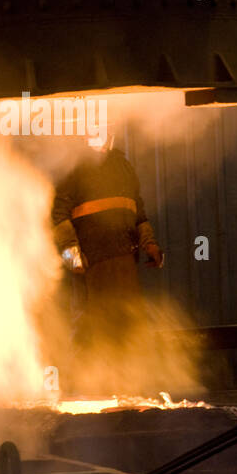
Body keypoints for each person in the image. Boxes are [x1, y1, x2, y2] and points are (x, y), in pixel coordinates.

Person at [51, 131, 163, 351]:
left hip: (124, 262)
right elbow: (59, 217)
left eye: (101, 130)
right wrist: (71, 255)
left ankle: (126, 376)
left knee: (129, 322)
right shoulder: (73, 169)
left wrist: (150, 244)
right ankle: (89, 378)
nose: (97, 136)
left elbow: (137, 211)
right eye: (92, 132)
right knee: (92, 323)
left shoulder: (122, 167)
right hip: (91, 264)